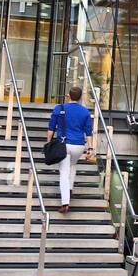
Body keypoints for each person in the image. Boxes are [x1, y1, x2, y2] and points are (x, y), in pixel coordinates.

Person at [46, 86, 94, 215]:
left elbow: (51, 128)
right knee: (72, 165)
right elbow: (88, 132)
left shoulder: (59, 108)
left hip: (64, 145)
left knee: (63, 173)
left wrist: (48, 142)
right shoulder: (85, 112)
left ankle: (65, 203)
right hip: (79, 146)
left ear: (68, 96)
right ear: (80, 97)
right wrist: (90, 148)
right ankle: (70, 189)